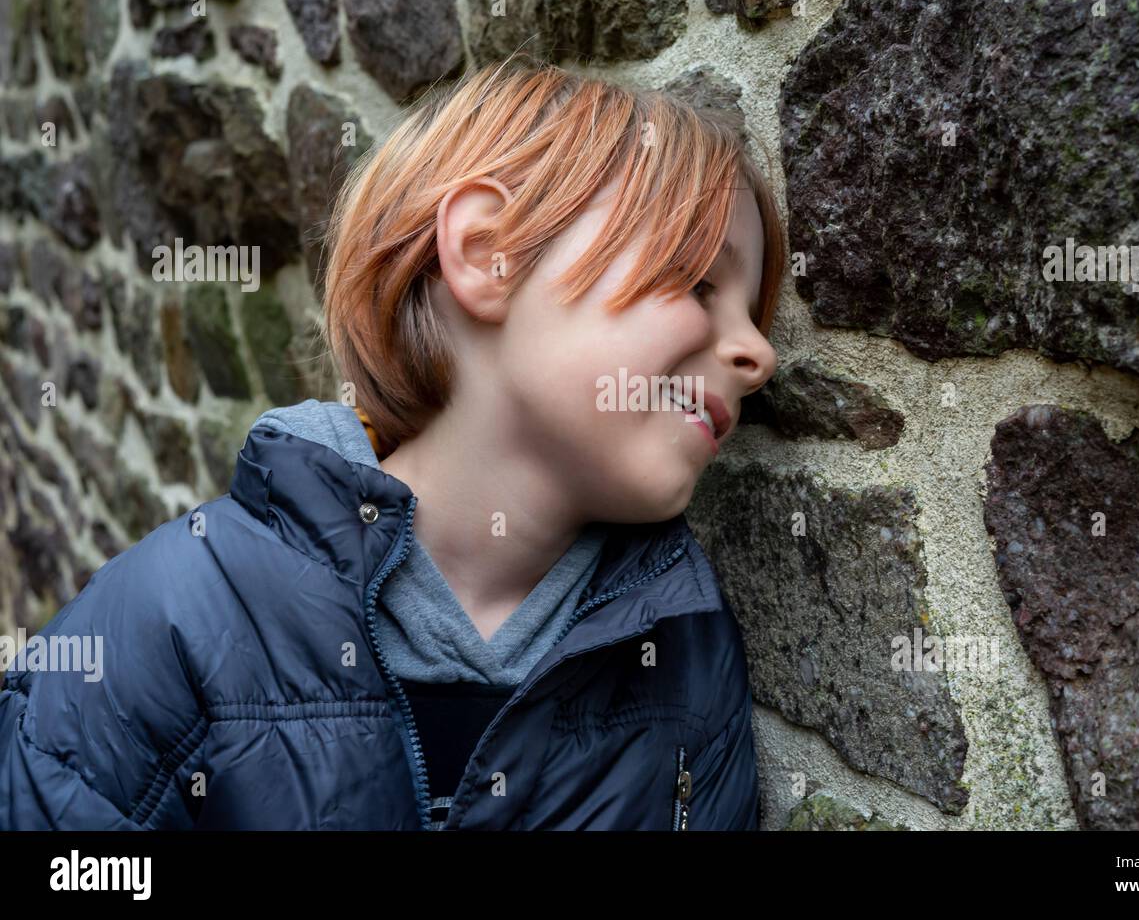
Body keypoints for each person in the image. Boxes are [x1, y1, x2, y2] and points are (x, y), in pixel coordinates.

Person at [0, 55, 784, 830]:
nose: (758, 354)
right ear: (486, 255)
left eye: (755, 315)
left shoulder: (686, 653)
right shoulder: (167, 626)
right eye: (701, 283)